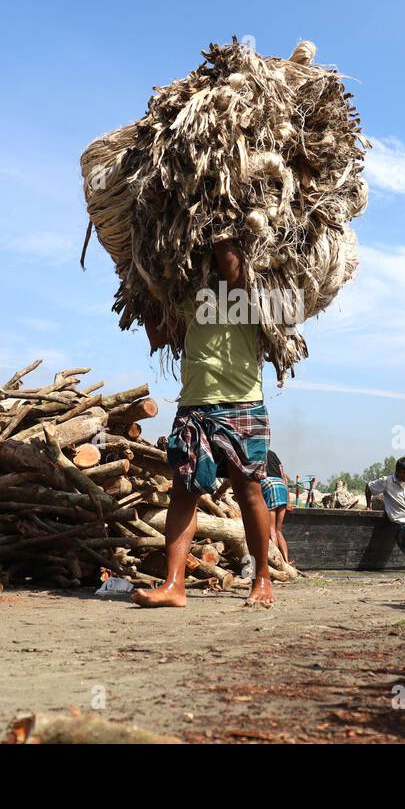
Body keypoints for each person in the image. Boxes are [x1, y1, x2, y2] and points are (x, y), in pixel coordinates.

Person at [132, 240, 276, 609]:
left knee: (248, 491)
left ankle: (262, 578)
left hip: (242, 402)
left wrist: (216, 229)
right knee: (183, 492)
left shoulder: (249, 294)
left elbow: (233, 266)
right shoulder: (187, 295)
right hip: (194, 405)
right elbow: (157, 337)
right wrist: (141, 286)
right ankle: (174, 585)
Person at [259, 449, 292, 566]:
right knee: (278, 530)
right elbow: (283, 476)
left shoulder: (257, 451)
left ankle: (276, 562)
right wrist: (289, 500)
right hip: (281, 486)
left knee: (271, 528)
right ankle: (286, 561)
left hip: (269, 485)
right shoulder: (273, 454)